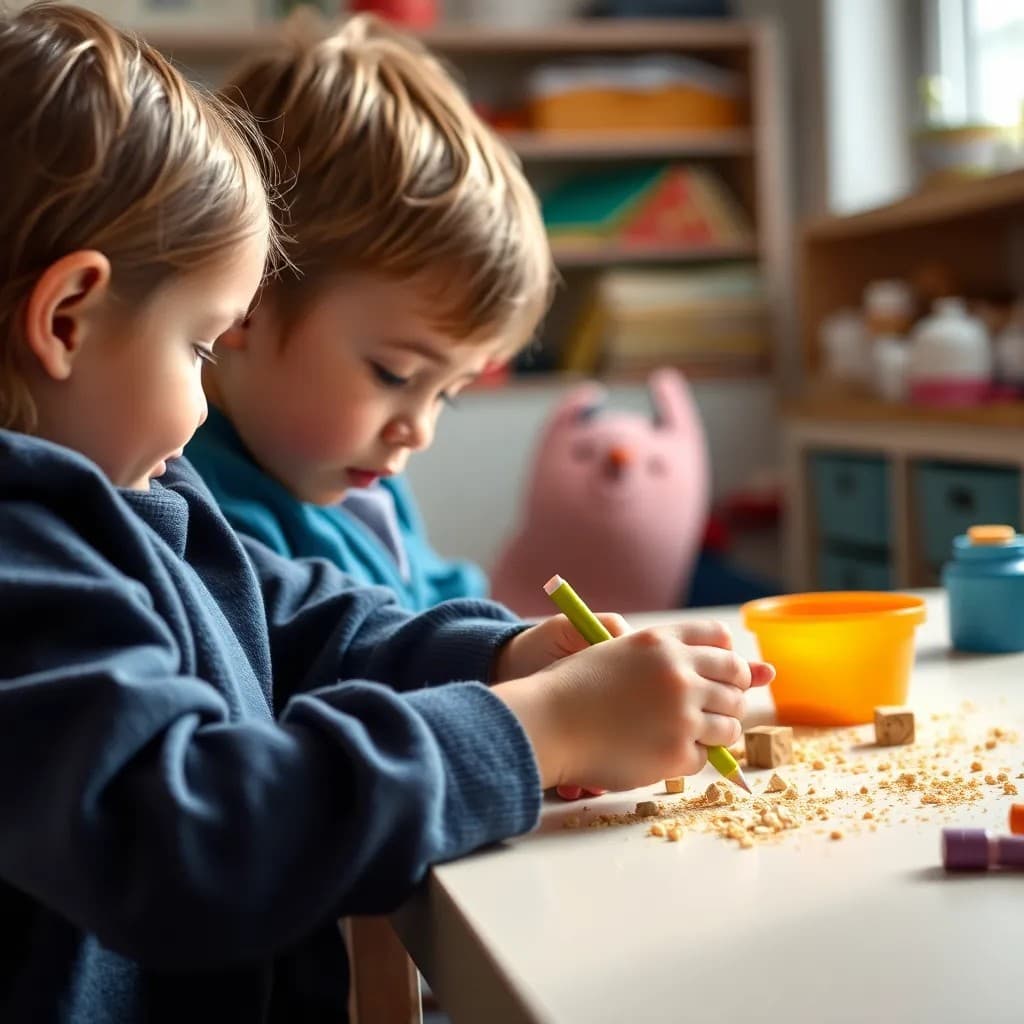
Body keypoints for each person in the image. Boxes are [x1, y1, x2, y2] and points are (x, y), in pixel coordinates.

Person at [0, 5, 772, 1022]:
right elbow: (190, 832)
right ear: (66, 318)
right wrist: (538, 730)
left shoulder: (135, 494)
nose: (201, 401)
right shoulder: (25, 557)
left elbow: (303, 626)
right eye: (199, 346)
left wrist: (501, 660)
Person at [185, 13, 552, 610]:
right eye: (395, 375)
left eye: (447, 392)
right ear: (246, 302)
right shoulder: (202, 520)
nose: (420, 431)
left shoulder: (349, 472)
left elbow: (440, 595)